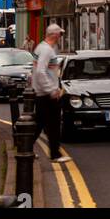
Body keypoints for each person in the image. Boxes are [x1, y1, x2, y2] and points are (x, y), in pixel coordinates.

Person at [30, 23, 68, 163]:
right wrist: (51, 90)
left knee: (41, 123)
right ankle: (55, 154)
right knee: (53, 125)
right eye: (60, 34)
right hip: (47, 95)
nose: (60, 37)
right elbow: (40, 71)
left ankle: (27, 148)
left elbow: (37, 71)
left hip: (42, 93)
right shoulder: (46, 50)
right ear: (55, 35)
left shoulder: (41, 47)